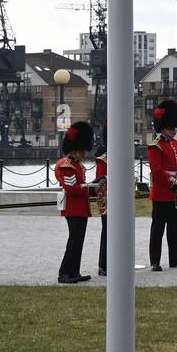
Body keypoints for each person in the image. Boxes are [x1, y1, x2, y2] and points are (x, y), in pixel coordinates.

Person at [54, 120, 98, 284]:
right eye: (82, 150)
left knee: (78, 242)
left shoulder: (77, 165)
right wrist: (90, 187)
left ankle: (74, 271)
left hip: (80, 208)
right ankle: (64, 272)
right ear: (76, 149)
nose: (85, 153)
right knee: (73, 242)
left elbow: (81, 186)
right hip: (73, 209)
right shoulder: (68, 166)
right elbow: (73, 189)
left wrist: (94, 185)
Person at [146, 99, 177, 271]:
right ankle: (155, 261)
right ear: (162, 128)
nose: (173, 131)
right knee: (158, 229)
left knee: (174, 228)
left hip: (175, 193)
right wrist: (174, 184)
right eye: (170, 128)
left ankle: (174, 258)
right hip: (162, 192)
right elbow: (157, 171)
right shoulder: (156, 146)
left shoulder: (175, 145)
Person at [94, 145, 108, 277]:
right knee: (107, 233)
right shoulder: (104, 157)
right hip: (108, 199)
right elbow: (101, 179)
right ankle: (104, 265)